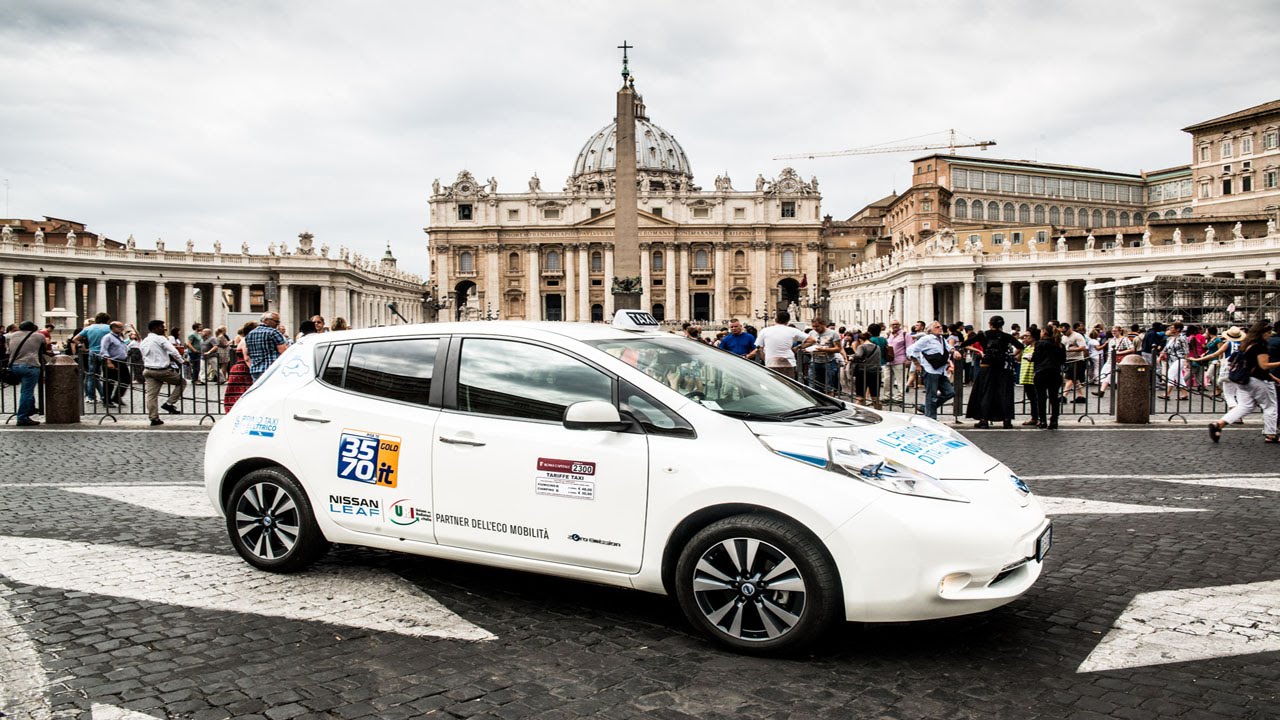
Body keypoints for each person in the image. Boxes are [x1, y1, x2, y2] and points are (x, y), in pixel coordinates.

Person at [1209, 321, 1279, 443]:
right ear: (1262, 334)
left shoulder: (1246, 344)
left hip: (1244, 380)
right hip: (1259, 380)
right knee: (1270, 406)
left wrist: (1274, 378)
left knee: (1244, 406)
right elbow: (1263, 365)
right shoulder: (1260, 346)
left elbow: (1253, 364)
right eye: (1268, 333)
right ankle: (1271, 434)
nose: (1269, 335)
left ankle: (1219, 424)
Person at [961, 315, 1024, 429]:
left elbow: (964, 344)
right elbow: (1020, 346)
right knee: (1004, 393)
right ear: (1002, 325)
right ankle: (1007, 420)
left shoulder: (983, 335)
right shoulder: (1006, 336)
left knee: (985, 393)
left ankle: (984, 419)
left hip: (987, 366)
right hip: (1002, 367)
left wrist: (980, 351)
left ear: (990, 324)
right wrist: (1012, 355)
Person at [140, 319, 187, 426]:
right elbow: (173, 351)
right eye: (162, 327)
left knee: (151, 396)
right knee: (182, 382)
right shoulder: (160, 338)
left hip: (148, 370)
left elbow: (143, 355)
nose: (164, 329)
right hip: (162, 370)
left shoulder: (144, 340)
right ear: (155, 328)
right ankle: (169, 403)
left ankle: (154, 418)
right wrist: (182, 361)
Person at [906, 321, 954, 420]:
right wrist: (916, 364)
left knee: (950, 392)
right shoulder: (926, 339)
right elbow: (911, 349)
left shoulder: (941, 339)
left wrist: (955, 351)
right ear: (930, 330)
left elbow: (948, 348)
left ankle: (926, 408)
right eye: (937, 327)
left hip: (940, 370)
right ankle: (931, 418)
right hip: (930, 370)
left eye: (940, 326)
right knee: (931, 396)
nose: (940, 328)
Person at [5, 321, 50, 426]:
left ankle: (30, 409)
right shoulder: (39, 336)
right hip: (30, 365)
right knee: (27, 392)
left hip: (14, 366)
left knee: (26, 390)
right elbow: (45, 347)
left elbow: (8, 351)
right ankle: (22, 417)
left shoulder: (12, 335)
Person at [1195, 326, 1244, 411]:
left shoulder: (1228, 343)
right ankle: (1238, 411)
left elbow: (1215, 354)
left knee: (1228, 394)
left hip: (1228, 368)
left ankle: (1236, 412)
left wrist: (1198, 359)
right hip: (1240, 369)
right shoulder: (1243, 344)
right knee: (1238, 393)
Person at [752, 311, 809, 379]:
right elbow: (812, 340)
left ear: (776, 319)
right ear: (788, 320)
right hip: (789, 363)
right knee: (788, 385)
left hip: (771, 362)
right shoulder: (792, 330)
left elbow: (759, 347)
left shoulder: (765, 331)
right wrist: (797, 348)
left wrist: (765, 359)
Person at [71, 312, 113, 404]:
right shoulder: (109, 328)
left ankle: (90, 397)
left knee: (91, 375)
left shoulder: (89, 328)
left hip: (92, 352)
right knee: (107, 376)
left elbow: (75, 339)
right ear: (107, 320)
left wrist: (84, 347)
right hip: (106, 353)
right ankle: (105, 396)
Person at [1033, 323, 1066, 429]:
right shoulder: (1060, 345)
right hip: (1055, 372)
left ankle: (1042, 420)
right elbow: (1063, 360)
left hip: (1041, 372)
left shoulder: (1040, 343)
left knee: (1041, 397)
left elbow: (1036, 357)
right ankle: (1054, 420)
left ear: (1045, 332)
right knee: (1054, 397)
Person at [799, 318, 844, 394]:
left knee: (828, 386)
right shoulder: (811, 333)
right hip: (814, 361)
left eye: (817, 326)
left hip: (829, 362)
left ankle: (829, 401)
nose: (815, 328)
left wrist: (824, 350)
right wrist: (804, 348)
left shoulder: (833, 333)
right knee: (812, 386)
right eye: (813, 326)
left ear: (823, 325)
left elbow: (838, 349)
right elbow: (807, 344)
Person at [245, 311, 289, 381]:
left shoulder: (250, 334)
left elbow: (248, 353)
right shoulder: (273, 332)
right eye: (276, 321)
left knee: (258, 391)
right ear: (266, 320)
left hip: (255, 370)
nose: (278, 324)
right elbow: (283, 352)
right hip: (271, 369)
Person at [223, 321, 257, 412]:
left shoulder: (245, 339)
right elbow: (247, 358)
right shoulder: (246, 340)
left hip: (239, 368)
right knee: (242, 391)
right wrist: (252, 370)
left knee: (237, 392)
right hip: (243, 369)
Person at [98, 321, 132, 407]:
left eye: (122, 327)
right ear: (113, 328)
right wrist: (108, 361)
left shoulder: (120, 337)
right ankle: (107, 401)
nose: (121, 329)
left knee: (126, 380)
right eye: (119, 327)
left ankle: (117, 397)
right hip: (112, 361)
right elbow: (104, 350)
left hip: (122, 361)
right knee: (109, 382)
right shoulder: (107, 337)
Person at [1095, 326, 1135, 396]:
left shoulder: (1125, 339)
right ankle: (1101, 391)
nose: (1113, 332)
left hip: (1120, 360)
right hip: (1110, 360)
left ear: (1120, 331)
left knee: (1122, 377)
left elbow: (1132, 349)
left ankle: (1126, 391)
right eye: (1112, 331)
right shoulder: (1111, 340)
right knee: (1106, 375)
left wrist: (1119, 353)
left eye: (1115, 331)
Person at [848, 332, 882, 409]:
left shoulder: (862, 346)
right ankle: (881, 412)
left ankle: (859, 414)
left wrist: (851, 358)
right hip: (875, 372)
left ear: (860, 339)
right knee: (875, 397)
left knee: (860, 397)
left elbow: (858, 356)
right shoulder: (877, 347)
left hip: (862, 372)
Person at [1158, 321, 1190, 400]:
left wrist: (1186, 361)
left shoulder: (1182, 338)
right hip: (1172, 359)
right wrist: (1160, 356)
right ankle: (1184, 394)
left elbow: (1186, 350)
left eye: (1172, 327)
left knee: (1171, 373)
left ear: (1178, 329)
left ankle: (1167, 393)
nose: (1170, 328)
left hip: (1180, 358)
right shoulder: (1170, 338)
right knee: (1179, 377)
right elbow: (1165, 348)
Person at [1060, 321, 1088, 403]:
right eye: (1062, 332)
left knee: (1069, 378)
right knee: (1075, 379)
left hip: (1077, 360)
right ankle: (1081, 396)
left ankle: (1064, 396)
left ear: (1069, 329)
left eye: (1064, 331)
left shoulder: (1077, 336)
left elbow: (1083, 347)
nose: (1063, 333)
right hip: (1068, 359)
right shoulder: (1063, 337)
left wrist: (1072, 349)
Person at [1018, 328, 1039, 426]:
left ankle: (1037, 417)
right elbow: (1018, 358)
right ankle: (1034, 417)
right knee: (1031, 398)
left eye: (1027, 336)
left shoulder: (1038, 347)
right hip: (1026, 376)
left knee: (1036, 398)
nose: (1024, 338)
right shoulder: (1026, 347)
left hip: (1033, 376)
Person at [885, 320, 910, 398]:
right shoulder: (889, 335)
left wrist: (908, 359)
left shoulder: (905, 334)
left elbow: (909, 347)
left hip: (900, 360)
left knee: (900, 380)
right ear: (890, 326)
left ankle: (900, 396)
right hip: (888, 361)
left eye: (896, 324)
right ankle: (887, 396)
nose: (895, 326)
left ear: (900, 325)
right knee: (887, 379)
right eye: (893, 324)